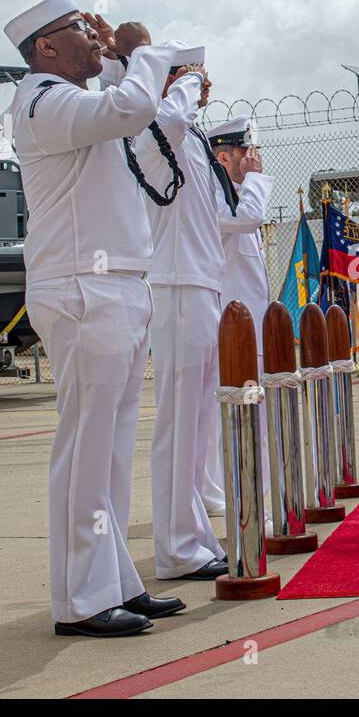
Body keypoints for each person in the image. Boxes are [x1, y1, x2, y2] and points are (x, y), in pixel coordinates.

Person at [3, 0, 186, 637]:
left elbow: (133, 102)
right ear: (46, 48)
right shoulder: (44, 101)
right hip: (85, 287)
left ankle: (112, 582)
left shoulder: (71, 98)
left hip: (113, 286)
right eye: (77, 28)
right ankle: (81, 600)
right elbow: (131, 105)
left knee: (109, 452)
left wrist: (122, 57)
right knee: (86, 449)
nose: (92, 34)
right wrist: (139, 49)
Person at [131, 49, 232, 582]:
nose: (205, 86)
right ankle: (176, 546)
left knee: (195, 420)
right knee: (177, 420)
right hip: (173, 285)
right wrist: (184, 83)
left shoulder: (190, 138)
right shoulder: (152, 128)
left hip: (201, 283)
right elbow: (169, 116)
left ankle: (192, 536)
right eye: (195, 76)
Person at [204, 116, 275, 521]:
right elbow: (249, 219)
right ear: (225, 156)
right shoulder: (218, 200)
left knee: (241, 415)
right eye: (246, 153)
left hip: (250, 327)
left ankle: (217, 491)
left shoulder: (237, 196)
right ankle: (252, 503)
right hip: (231, 330)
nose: (254, 159)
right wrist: (256, 181)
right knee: (245, 418)